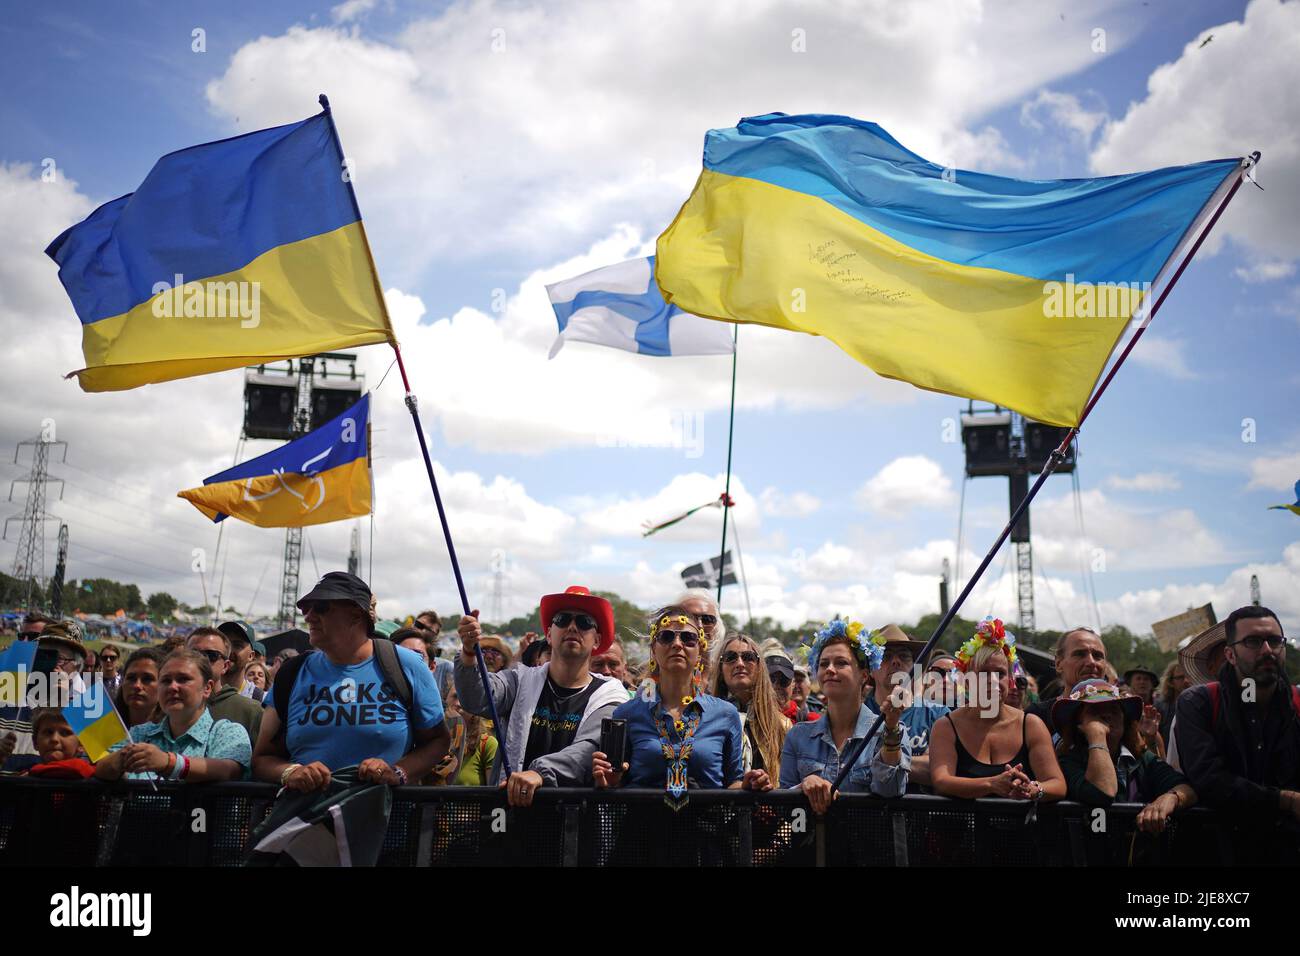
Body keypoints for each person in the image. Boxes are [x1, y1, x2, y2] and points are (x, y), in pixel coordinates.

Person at [252, 572, 450, 792]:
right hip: (306, 819)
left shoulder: (406, 665)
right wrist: (290, 772)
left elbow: (438, 742)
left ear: (356, 614)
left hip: (386, 820)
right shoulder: (292, 672)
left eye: (321, 608)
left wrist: (397, 772)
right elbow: (261, 759)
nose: (308, 617)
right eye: (306, 609)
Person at [457, 585, 627, 805]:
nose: (573, 627)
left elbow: (590, 746)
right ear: (548, 634)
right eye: (563, 619)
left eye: (585, 623)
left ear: (597, 640)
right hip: (512, 813)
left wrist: (540, 773)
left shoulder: (610, 694)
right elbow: (476, 698)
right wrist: (469, 653)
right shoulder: (519, 679)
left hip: (574, 819)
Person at [594, 606, 768, 801]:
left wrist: (748, 784)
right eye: (667, 636)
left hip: (707, 829)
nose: (677, 644)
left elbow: (732, 782)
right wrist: (610, 780)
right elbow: (615, 782)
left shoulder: (726, 714)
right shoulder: (626, 713)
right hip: (643, 829)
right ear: (653, 648)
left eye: (688, 638)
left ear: (700, 650)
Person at [1174, 606, 1300, 859]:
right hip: (1219, 852)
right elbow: (1210, 781)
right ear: (1230, 655)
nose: (1267, 650)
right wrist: (1284, 800)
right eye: (1253, 641)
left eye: (1274, 641)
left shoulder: (1297, 704)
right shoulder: (1199, 703)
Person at [929, 618, 1065, 802]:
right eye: (983, 673)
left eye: (1000, 674)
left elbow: (1057, 784)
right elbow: (942, 781)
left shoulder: (1031, 724)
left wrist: (1032, 789)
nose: (992, 681)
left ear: (1010, 680)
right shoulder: (945, 726)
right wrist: (991, 784)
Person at [779, 619, 909, 810]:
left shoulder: (893, 731)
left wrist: (890, 730)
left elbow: (891, 790)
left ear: (864, 675)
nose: (830, 669)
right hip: (814, 839)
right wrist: (804, 786)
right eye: (823, 664)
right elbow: (783, 808)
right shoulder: (797, 736)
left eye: (841, 663)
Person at [1054, 679, 1196, 833]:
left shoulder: (1141, 759)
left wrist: (1171, 797)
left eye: (1114, 709)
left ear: (1125, 720)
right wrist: (1097, 737)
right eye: (1095, 711)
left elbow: (1187, 789)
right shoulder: (1066, 762)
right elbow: (1102, 793)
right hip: (1086, 853)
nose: (1107, 715)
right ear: (1078, 722)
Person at [95, 650, 251, 783]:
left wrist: (169, 763)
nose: (172, 687)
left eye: (183, 679)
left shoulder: (227, 732)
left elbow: (228, 770)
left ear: (207, 688)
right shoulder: (139, 734)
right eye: (166, 681)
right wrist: (123, 758)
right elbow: (101, 769)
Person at [865, 624, 949, 787]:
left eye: (904, 656)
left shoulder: (938, 714)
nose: (896, 661)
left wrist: (877, 763)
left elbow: (942, 771)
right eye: (885, 656)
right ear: (870, 670)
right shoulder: (857, 713)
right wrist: (919, 761)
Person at [707, 631, 789, 774]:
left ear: (760, 667)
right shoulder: (704, 721)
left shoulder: (783, 725)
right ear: (720, 668)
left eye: (748, 657)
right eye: (730, 657)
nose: (739, 663)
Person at [186, 627, 263, 748]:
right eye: (194, 654)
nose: (202, 660)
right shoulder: (171, 702)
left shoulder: (255, 708)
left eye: (212, 655)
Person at [1025, 626, 1108, 734]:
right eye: (1080, 654)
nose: (1091, 662)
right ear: (1058, 664)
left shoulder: (1121, 713)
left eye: (1097, 656)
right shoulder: (1036, 716)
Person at [22, 708, 95, 779]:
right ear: (35, 742)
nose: (54, 739)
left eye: (65, 733)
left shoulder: (91, 773)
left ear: (81, 743)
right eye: (48, 732)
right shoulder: (23, 777)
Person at [115, 646, 164, 728]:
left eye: (147, 679)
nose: (137, 685)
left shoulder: (175, 731)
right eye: (131, 678)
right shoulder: (105, 725)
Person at [217, 620, 264, 703]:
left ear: (251, 656)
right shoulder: (202, 693)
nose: (229, 650)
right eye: (225, 644)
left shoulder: (259, 699)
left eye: (237, 645)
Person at [1155, 660, 1189, 743]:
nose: (1186, 681)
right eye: (1180, 677)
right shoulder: (1160, 707)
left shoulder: (1201, 704)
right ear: (1171, 682)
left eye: (1188, 676)